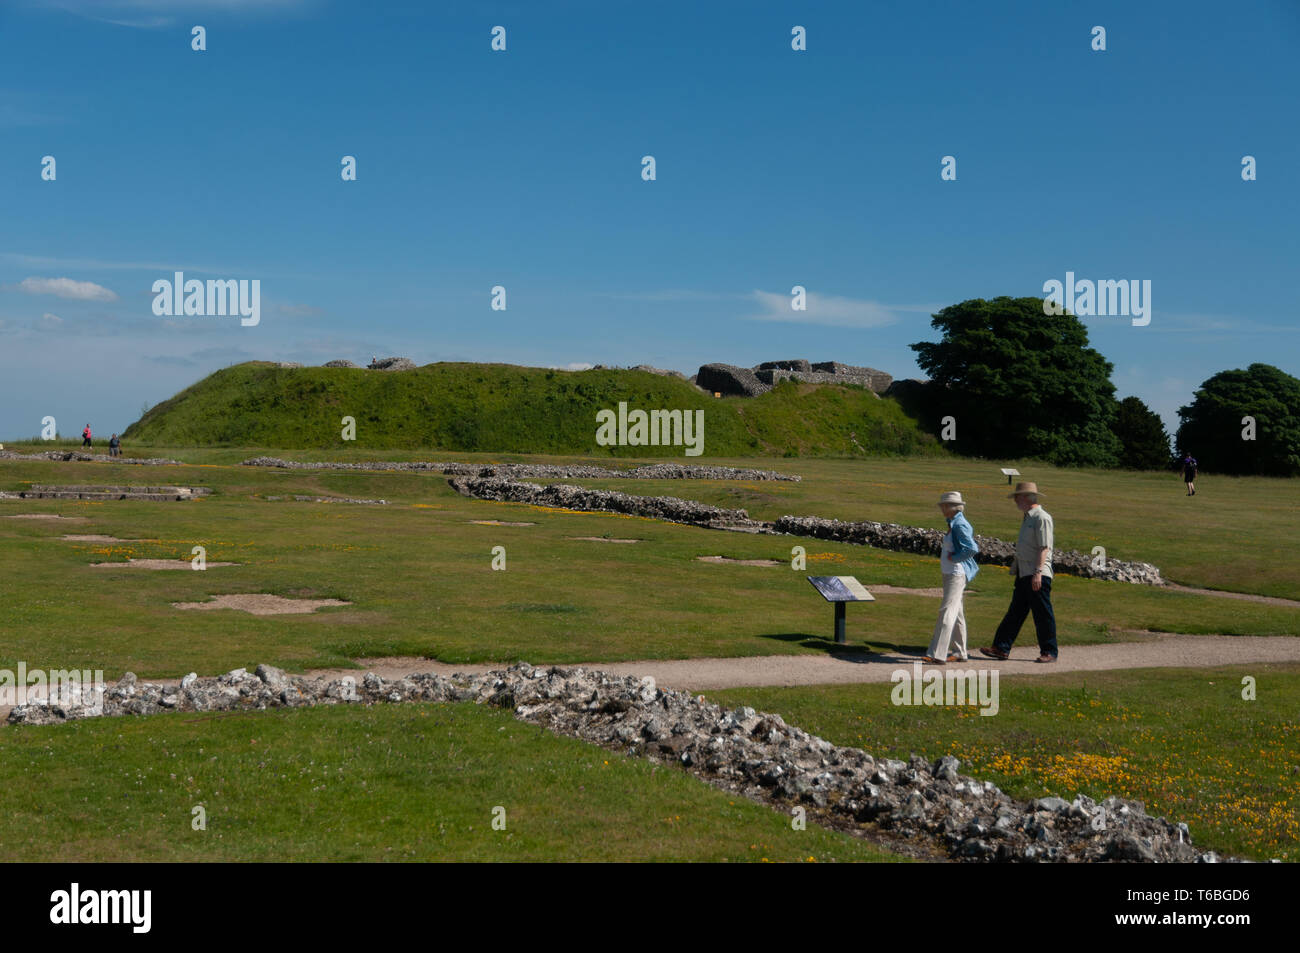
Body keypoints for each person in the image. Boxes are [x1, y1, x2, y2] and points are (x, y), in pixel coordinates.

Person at [980, 481, 1057, 663]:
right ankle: (1001, 648)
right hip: (1024, 572)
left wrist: (1038, 572)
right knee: (1015, 612)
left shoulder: (1041, 517)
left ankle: (1049, 651)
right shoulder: (1028, 516)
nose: (1015, 501)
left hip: (1036, 573)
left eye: (1017, 497)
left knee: (1042, 614)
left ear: (1025, 497)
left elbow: (1044, 548)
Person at [922, 491, 979, 664]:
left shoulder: (959, 524)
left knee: (947, 611)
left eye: (944, 506)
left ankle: (937, 654)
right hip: (951, 573)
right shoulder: (953, 522)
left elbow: (972, 549)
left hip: (956, 573)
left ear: (951, 507)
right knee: (957, 612)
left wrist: (954, 559)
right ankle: (960, 651)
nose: (942, 508)